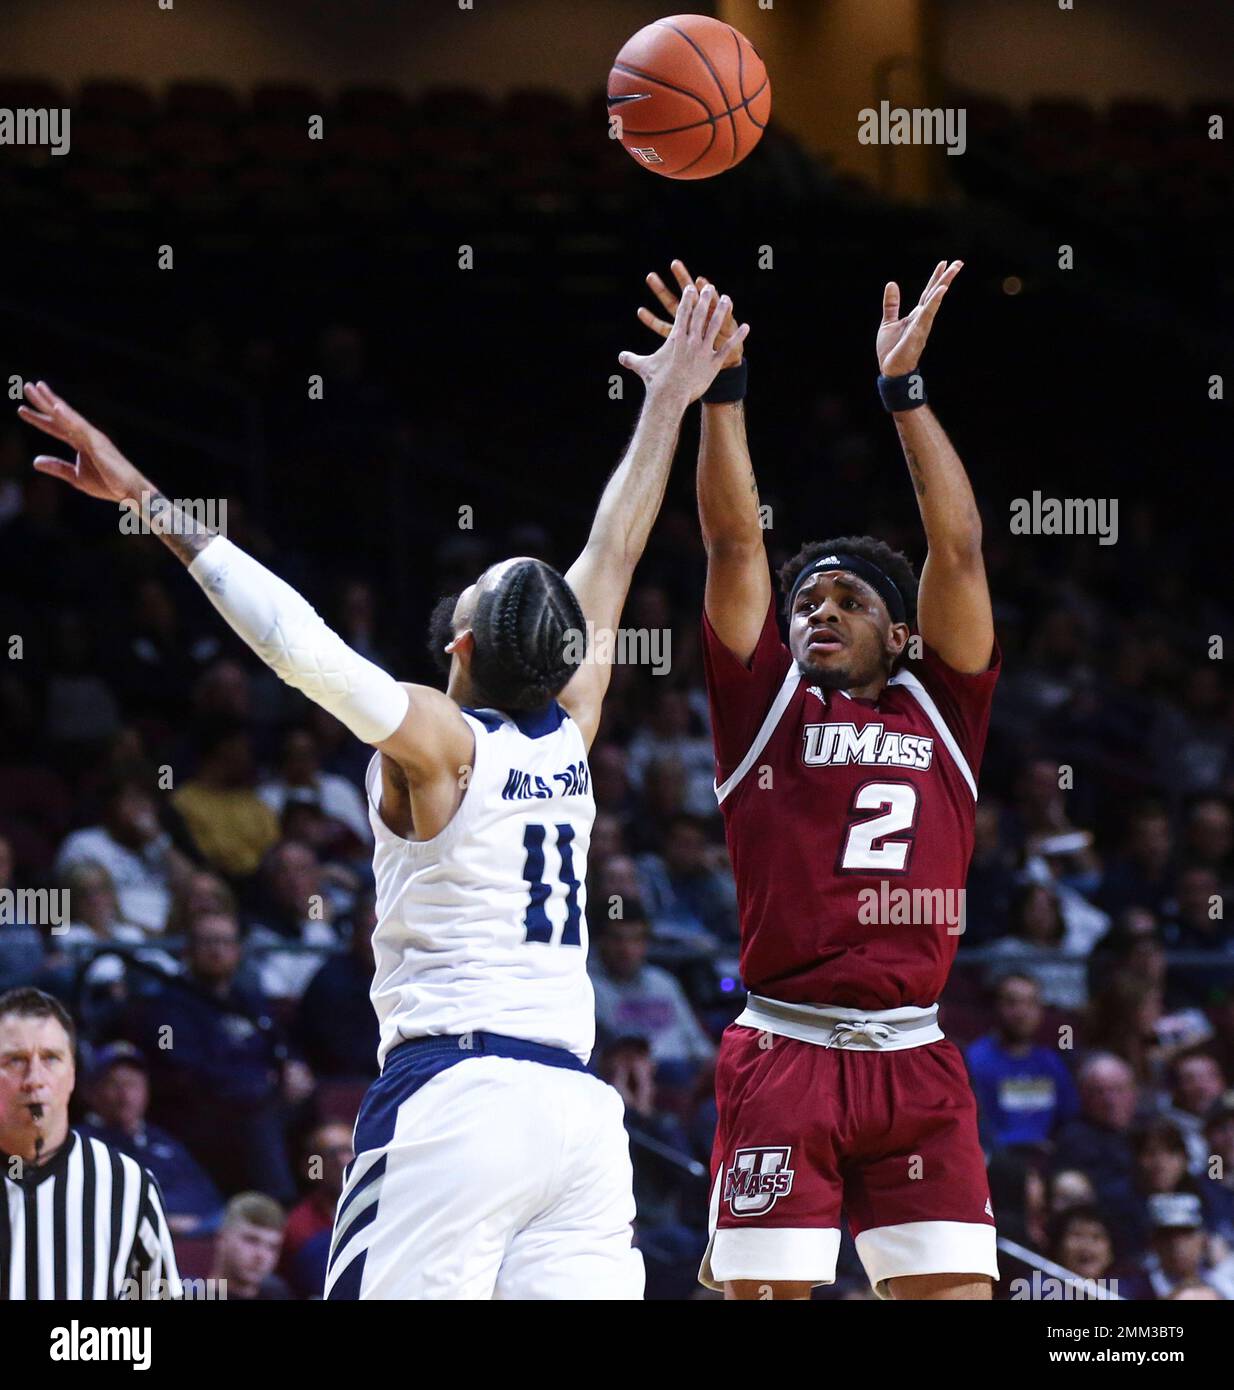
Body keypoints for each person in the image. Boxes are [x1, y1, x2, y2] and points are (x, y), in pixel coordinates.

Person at [17, 285, 745, 1300]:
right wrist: (668, 399)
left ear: (460, 642)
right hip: (578, 1120)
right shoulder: (571, 728)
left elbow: (300, 647)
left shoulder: (441, 743)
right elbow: (616, 543)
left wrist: (141, 492)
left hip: (459, 1097)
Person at [639, 257, 997, 1299]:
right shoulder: (765, 707)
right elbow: (730, 541)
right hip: (785, 1053)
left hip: (917, 1060)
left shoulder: (943, 706)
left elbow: (960, 550)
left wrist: (905, 396)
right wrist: (723, 393)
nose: (816, 612)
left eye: (844, 599)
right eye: (805, 603)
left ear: (901, 630)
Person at [0, 987, 180, 1298]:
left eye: (51, 1058)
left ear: (72, 1074)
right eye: (15, 1060)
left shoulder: (129, 1184)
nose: (34, 1078)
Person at [77, 1041, 224, 1236]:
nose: (125, 1095)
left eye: (133, 1084)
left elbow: (207, 1197)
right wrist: (162, 1219)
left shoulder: (163, 1141)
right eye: (114, 1084)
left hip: (188, 1239)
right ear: (91, 1092)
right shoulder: (78, 1143)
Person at [589, 907, 715, 1077]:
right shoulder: (588, 986)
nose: (626, 949)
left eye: (635, 940)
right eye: (617, 940)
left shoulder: (664, 982)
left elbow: (697, 1044)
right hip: (630, 1079)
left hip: (685, 1074)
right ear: (600, 942)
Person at [966, 972, 1079, 1148]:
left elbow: (1069, 1119)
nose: (1022, 1012)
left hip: (1046, 1158)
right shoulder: (975, 1061)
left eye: (1031, 1003)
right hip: (995, 1161)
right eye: (1012, 1003)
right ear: (996, 1006)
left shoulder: (1051, 1062)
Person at [210, 1192, 292, 1300]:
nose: (262, 1256)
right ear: (221, 1239)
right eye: (251, 1241)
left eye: (272, 1247)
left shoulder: (278, 1293)